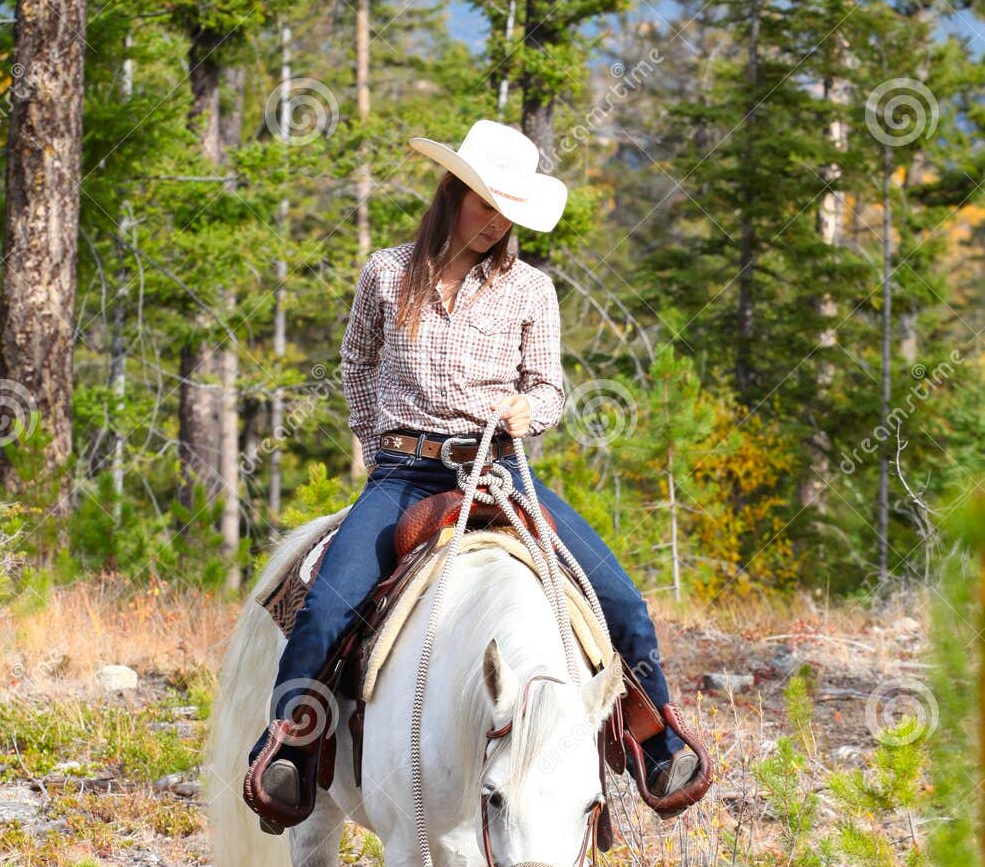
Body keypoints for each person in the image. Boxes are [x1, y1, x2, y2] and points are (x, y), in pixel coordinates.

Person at [245, 119, 710, 830]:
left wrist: (530, 409)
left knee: (621, 601)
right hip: (404, 472)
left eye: (508, 212)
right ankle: (290, 748)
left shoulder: (531, 290)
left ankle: (657, 743)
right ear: (453, 192)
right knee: (328, 606)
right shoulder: (386, 273)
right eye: (486, 204)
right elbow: (356, 362)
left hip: (496, 471)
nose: (495, 223)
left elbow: (548, 387)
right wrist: (374, 443)